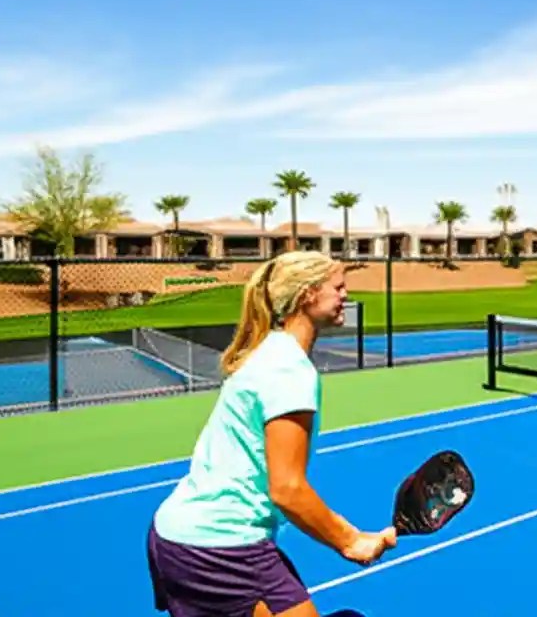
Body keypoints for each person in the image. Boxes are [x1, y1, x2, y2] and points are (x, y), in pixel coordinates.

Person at [146, 251, 397, 617]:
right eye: (338, 287)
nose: (346, 295)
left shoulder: (269, 352)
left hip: (175, 539)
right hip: (222, 548)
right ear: (308, 294)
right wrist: (351, 540)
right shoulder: (289, 371)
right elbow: (288, 489)